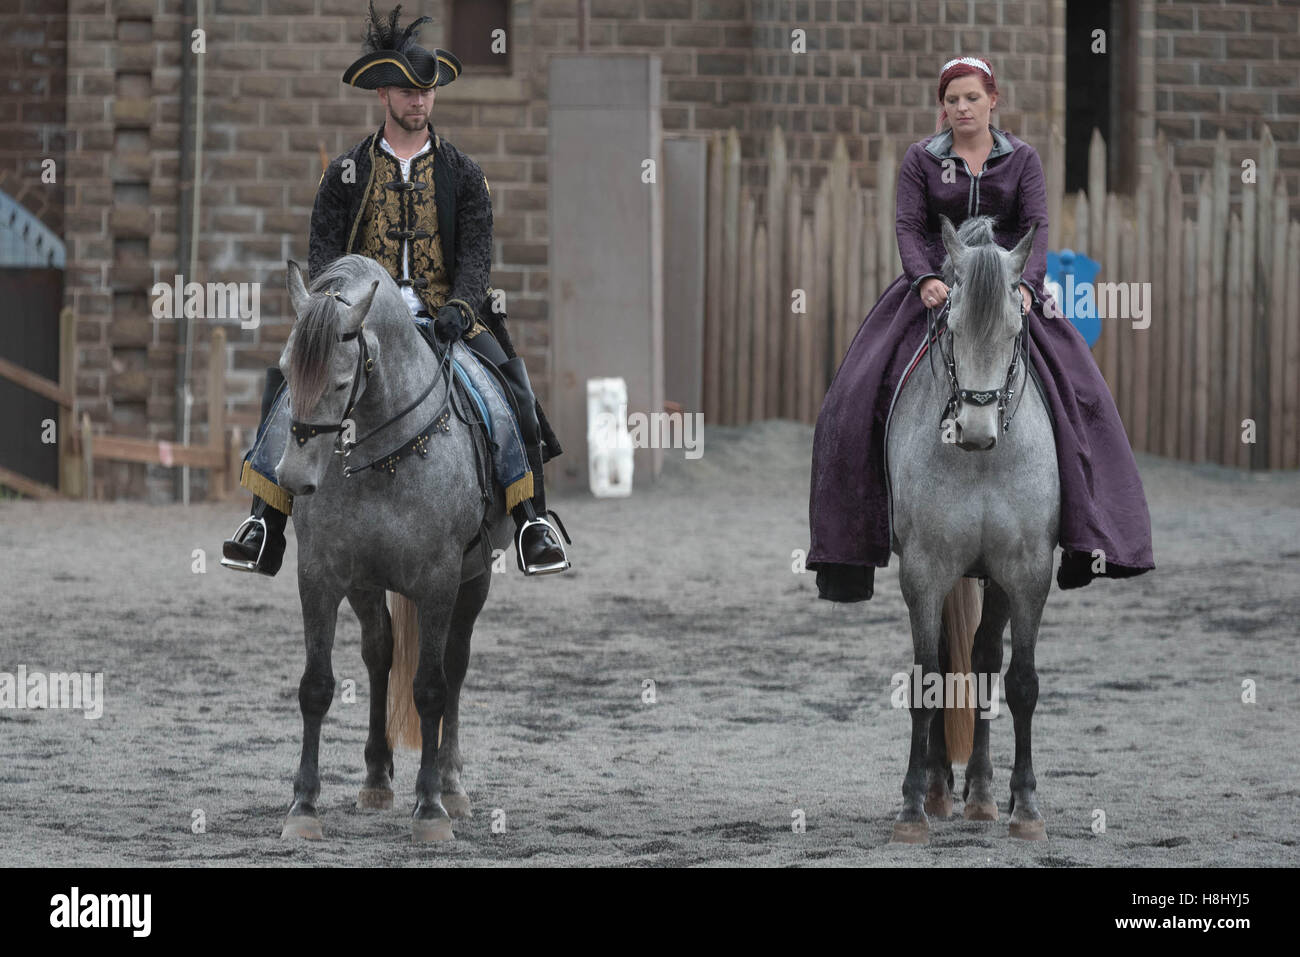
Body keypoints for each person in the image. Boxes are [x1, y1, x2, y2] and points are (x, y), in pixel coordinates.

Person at [222, 3, 570, 577]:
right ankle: (265, 520)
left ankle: (532, 519)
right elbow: (325, 259)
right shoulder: (343, 174)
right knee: (291, 382)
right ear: (383, 93)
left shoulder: (464, 174)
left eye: (427, 92)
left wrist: (461, 305)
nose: (419, 102)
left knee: (513, 393)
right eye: (408, 92)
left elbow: (478, 256)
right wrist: (332, 315)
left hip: (449, 317)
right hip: (359, 321)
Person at [808, 55, 1154, 602]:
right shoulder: (922, 159)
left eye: (971, 97)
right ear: (942, 108)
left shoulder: (1022, 160)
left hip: (1011, 290)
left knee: (1080, 390)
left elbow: (1037, 228)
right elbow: (908, 224)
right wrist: (924, 277)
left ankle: (1086, 535)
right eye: (952, 100)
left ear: (994, 100)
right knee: (853, 393)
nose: (961, 107)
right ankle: (853, 546)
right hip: (936, 289)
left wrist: (1024, 284)